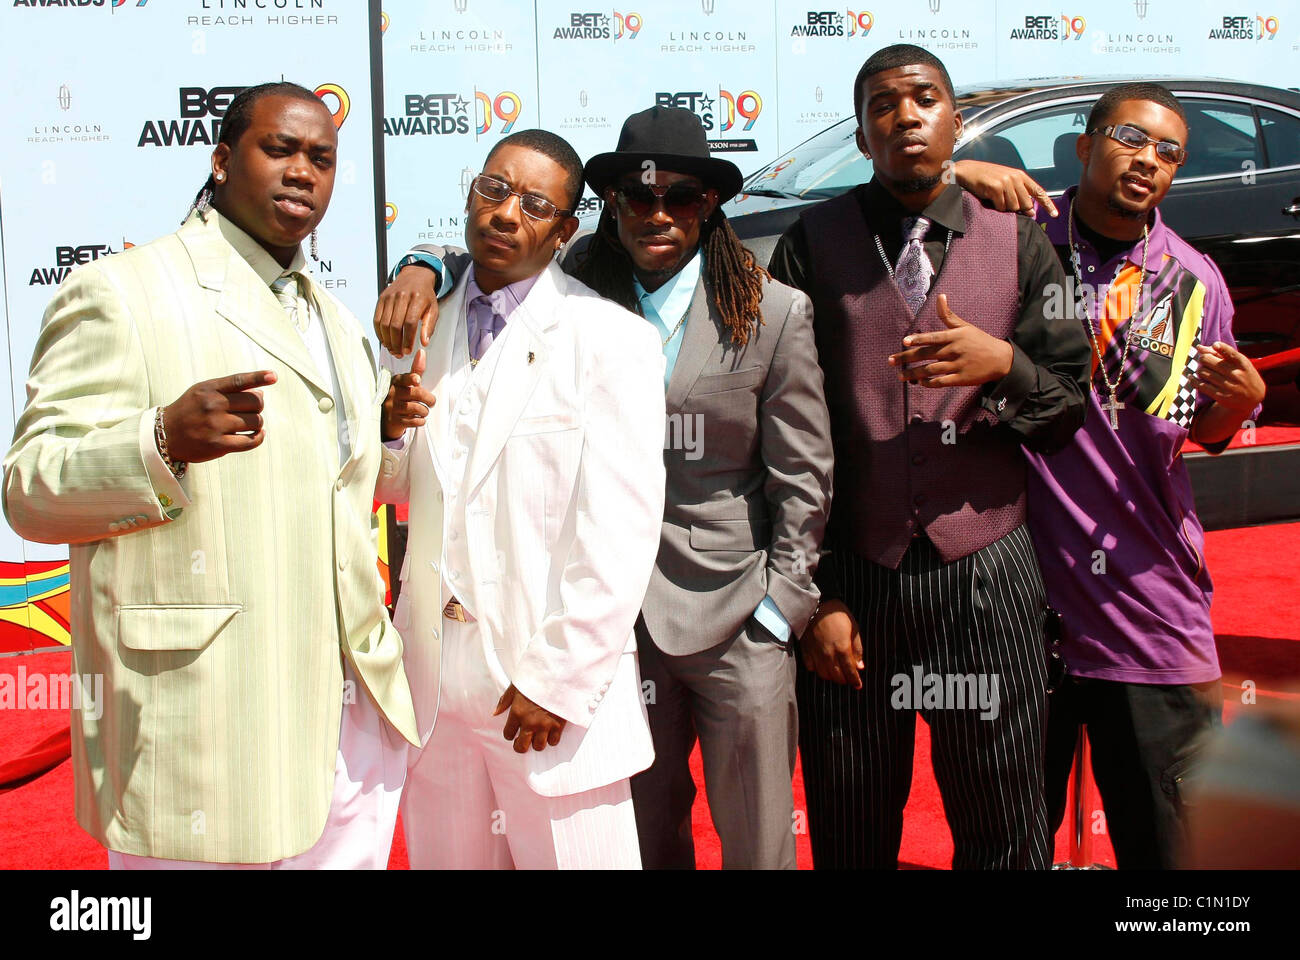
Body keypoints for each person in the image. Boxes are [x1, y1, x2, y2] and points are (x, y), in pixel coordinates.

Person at [376, 106, 834, 870]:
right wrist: (421, 265)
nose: (657, 213)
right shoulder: (445, 317)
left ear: (708, 205)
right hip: (510, 654)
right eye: (637, 197)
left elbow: (799, 473)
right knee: (647, 842)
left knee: (755, 841)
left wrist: (780, 609)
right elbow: (401, 479)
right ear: (608, 208)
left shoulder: (755, 309)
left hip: (711, 619)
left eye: (680, 197)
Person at [3, 82, 419, 869]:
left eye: (322, 159)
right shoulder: (123, 293)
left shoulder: (332, 318)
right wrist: (159, 441)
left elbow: (340, 489)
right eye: (280, 149)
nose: (303, 171)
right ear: (223, 160)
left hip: (350, 726)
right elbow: (30, 489)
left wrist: (384, 430)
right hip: (207, 731)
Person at [767, 43, 1092, 869]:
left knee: (1006, 824)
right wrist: (817, 595)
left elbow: (1065, 412)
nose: (904, 115)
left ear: (955, 121)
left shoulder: (1018, 243)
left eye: (923, 99)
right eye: (882, 105)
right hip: (854, 581)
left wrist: (1005, 368)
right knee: (849, 819)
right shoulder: (810, 243)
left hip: (987, 570)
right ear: (865, 133)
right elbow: (780, 433)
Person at [955, 82, 1266, 868]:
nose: (1150, 161)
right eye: (1132, 138)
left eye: (1170, 152)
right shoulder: (1013, 236)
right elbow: (897, 204)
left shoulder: (1194, 280)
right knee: (1006, 846)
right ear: (1084, 145)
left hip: (1147, 600)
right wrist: (959, 172)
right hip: (1019, 602)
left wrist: (1237, 406)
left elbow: (1203, 430)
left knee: (1173, 854)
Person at [374, 129, 666, 869]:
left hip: (544, 692)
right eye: (494, 189)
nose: (507, 213)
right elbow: (388, 488)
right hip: (434, 684)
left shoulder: (610, 340)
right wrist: (386, 434)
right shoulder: (417, 328)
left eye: (534, 204)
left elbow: (622, 534)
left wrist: (560, 682)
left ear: (564, 231)